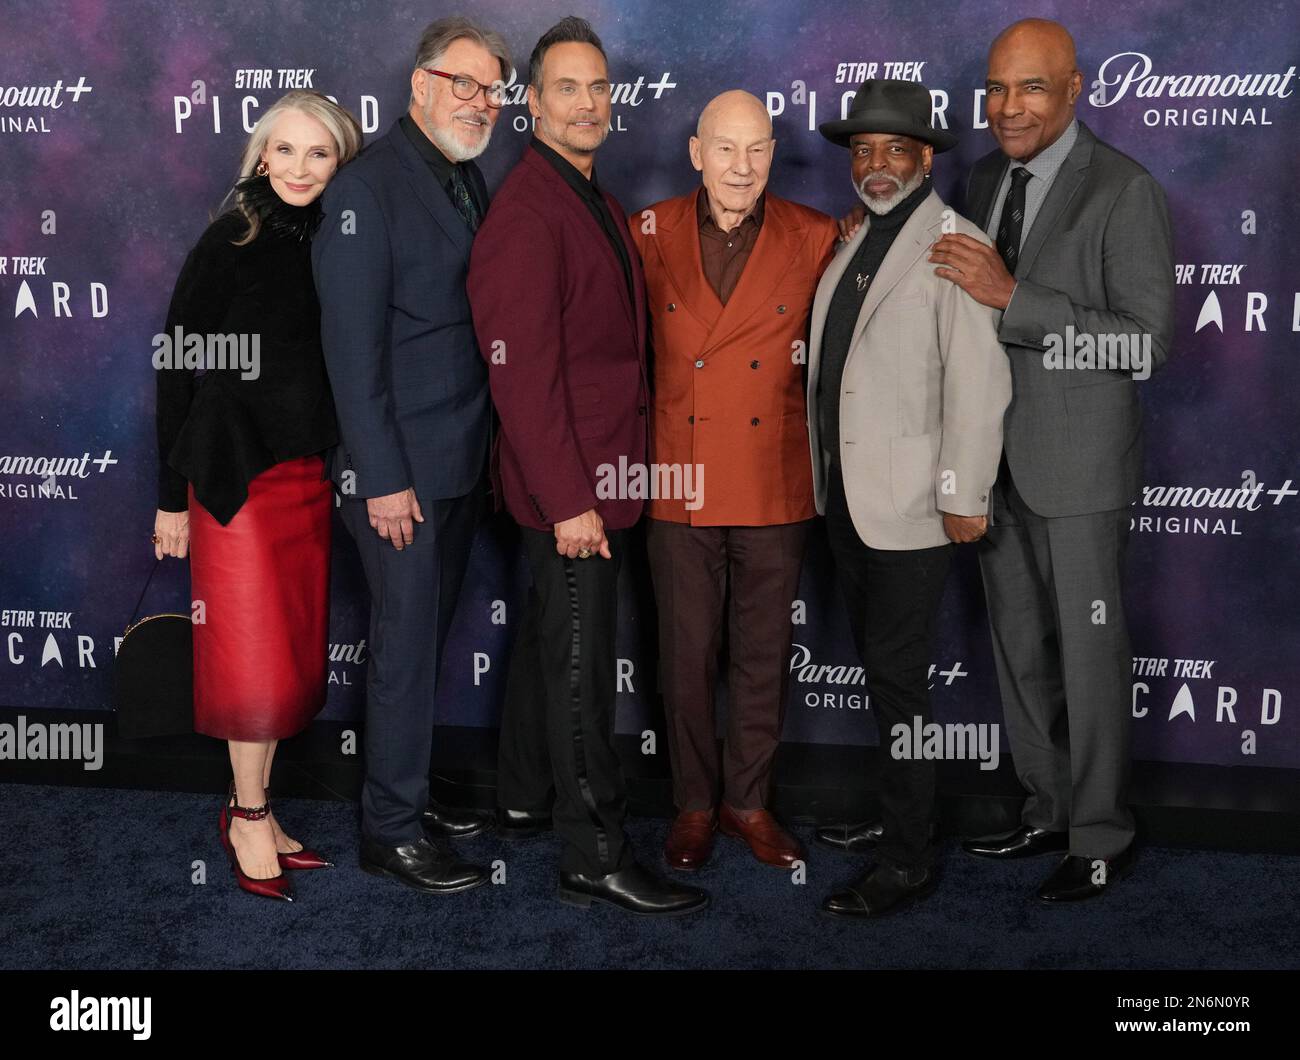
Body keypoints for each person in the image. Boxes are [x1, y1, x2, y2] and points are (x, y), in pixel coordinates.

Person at [928, 19, 1174, 902]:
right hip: (992, 459)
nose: (1007, 107)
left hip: (1079, 470)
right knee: (1019, 651)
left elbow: (1143, 342)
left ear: (1075, 89)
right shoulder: (983, 178)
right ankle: (1046, 807)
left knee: (1090, 657)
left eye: (1030, 88)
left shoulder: (1123, 188)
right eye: (995, 88)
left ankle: (1101, 833)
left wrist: (1016, 298)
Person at [468, 16, 708, 917]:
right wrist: (573, 503)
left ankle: (526, 799)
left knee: (545, 652)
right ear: (533, 104)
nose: (587, 104)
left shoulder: (589, 198)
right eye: (566, 88)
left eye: (598, 88)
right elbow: (521, 376)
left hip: (598, 478)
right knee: (578, 671)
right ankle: (594, 852)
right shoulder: (527, 212)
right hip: (570, 493)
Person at [311, 16, 512, 895]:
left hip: (461, 461)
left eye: (493, 90)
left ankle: (409, 792)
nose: (482, 102)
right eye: (464, 84)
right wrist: (383, 479)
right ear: (420, 85)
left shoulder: (467, 177)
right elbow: (351, 359)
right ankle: (387, 831)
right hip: (399, 476)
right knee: (400, 649)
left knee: (421, 644)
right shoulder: (365, 191)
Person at [806, 79, 1011, 918]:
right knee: (885, 675)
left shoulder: (952, 242)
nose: (877, 164)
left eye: (895, 150)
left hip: (916, 508)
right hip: (850, 500)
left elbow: (979, 381)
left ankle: (909, 856)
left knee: (899, 683)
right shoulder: (859, 237)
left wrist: (965, 492)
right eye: (864, 151)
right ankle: (898, 816)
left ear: (925, 158)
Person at [153, 89, 363, 901]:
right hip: (232, 477)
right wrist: (171, 499)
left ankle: (262, 807)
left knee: (286, 654)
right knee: (249, 657)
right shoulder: (230, 237)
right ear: (261, 156)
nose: (301, 167)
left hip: (304, 474)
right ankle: (244, 814)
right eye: (286, 150)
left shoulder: (338, 240)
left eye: (320, 153)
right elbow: (176, 364)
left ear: (339, 161)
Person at [628, 90, 838, 873]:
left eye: (756, 150)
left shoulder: (817, 235)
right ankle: (691, 804)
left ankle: (747, 802)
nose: (741, 167)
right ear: (695, 153)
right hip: (678, 477)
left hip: (774, 479)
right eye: (725, 149)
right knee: (684, 655)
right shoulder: (645, 232)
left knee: (762, 653)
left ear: (773, 155)